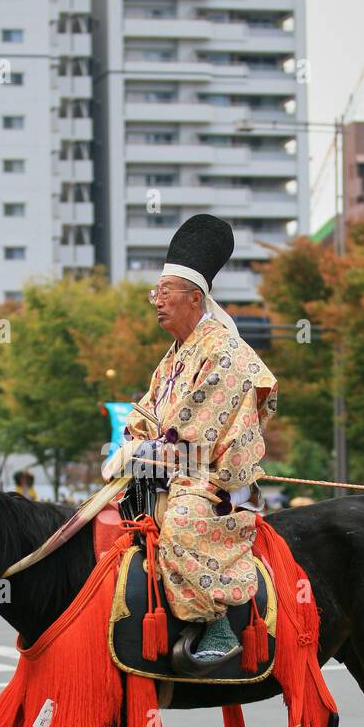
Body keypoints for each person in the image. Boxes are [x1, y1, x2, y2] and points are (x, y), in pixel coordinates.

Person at [104, 214, 277, 666]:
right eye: (154, 294)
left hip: (225, 484)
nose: (156, 302)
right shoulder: (175, 356)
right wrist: (132, 443)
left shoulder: (223, 351)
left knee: (182, 520)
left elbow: (190, 435)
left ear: (195, 298)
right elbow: (145, 413)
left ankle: (216, 622)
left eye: (164, 294)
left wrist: (139, 452)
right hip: (176, 472)